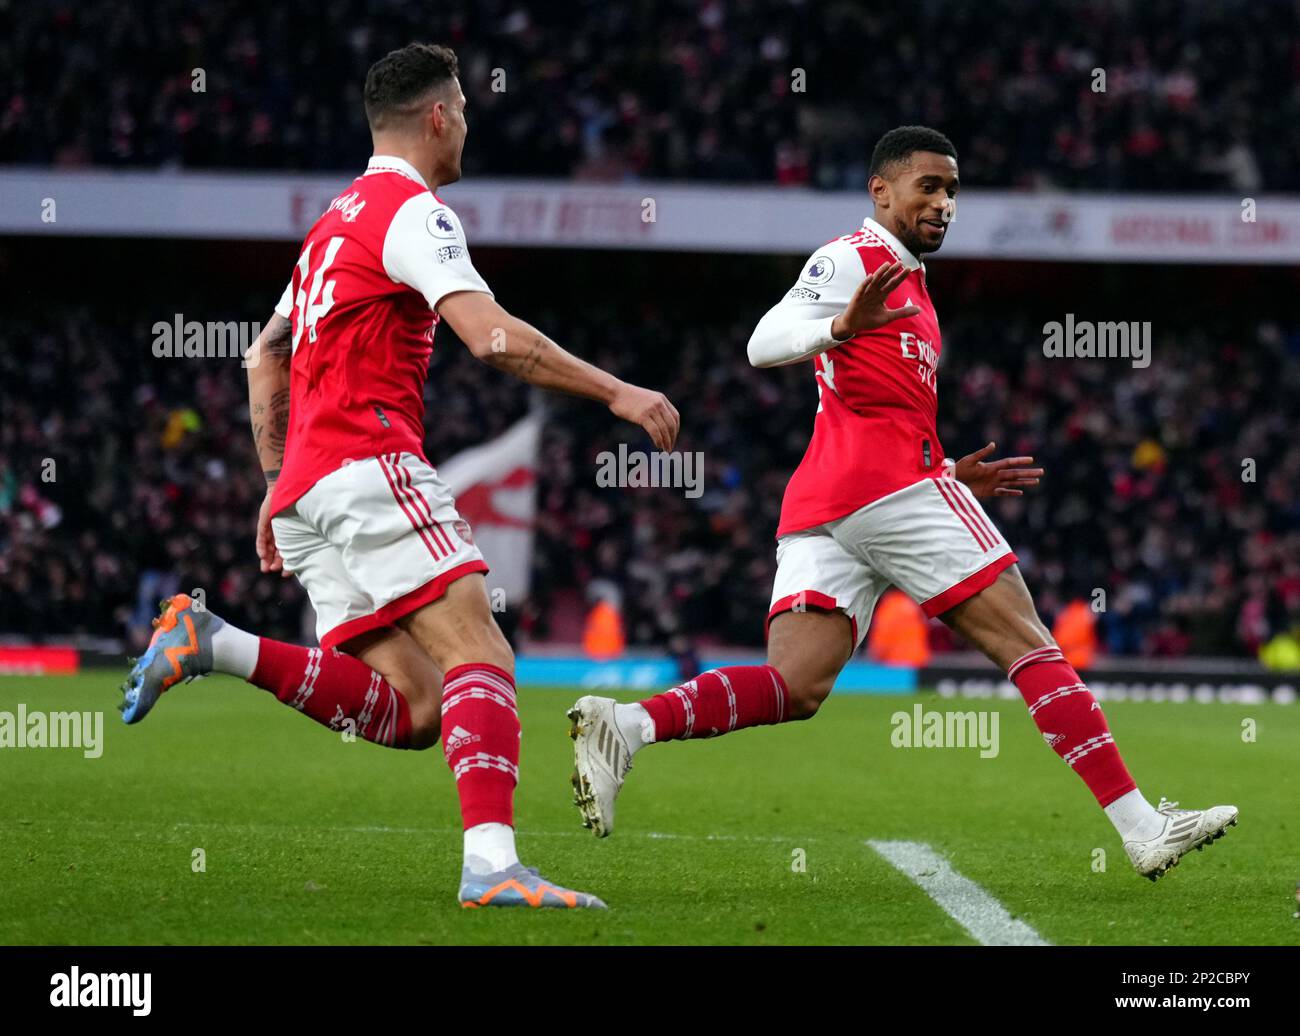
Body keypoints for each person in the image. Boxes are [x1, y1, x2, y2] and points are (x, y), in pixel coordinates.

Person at [568, 126, 1236, 881]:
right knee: (1029, 642)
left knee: (795, 685)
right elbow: (763, 341)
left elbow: (873, 405)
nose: (943, 202)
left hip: (834, 500)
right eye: (928, 186)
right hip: (887, 488)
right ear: (880, 191)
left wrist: (948, 467)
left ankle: (626, 724)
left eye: (952, 189)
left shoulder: (914, 287)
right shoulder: (856, 257)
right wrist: (839, 327)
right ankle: (1143, 827)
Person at [120, 42, 679, 910]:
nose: (468, 122)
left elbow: (261, 358)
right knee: (481, 651)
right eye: (464, 107)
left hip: (313, 484)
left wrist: (277, 479)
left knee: (415, 708)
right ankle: (492, 867)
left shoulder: (330, 225)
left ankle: (212, 642)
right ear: (438, 115)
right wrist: (616, 391)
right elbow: (490, 337)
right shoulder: (412, 211)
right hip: (367, 459)